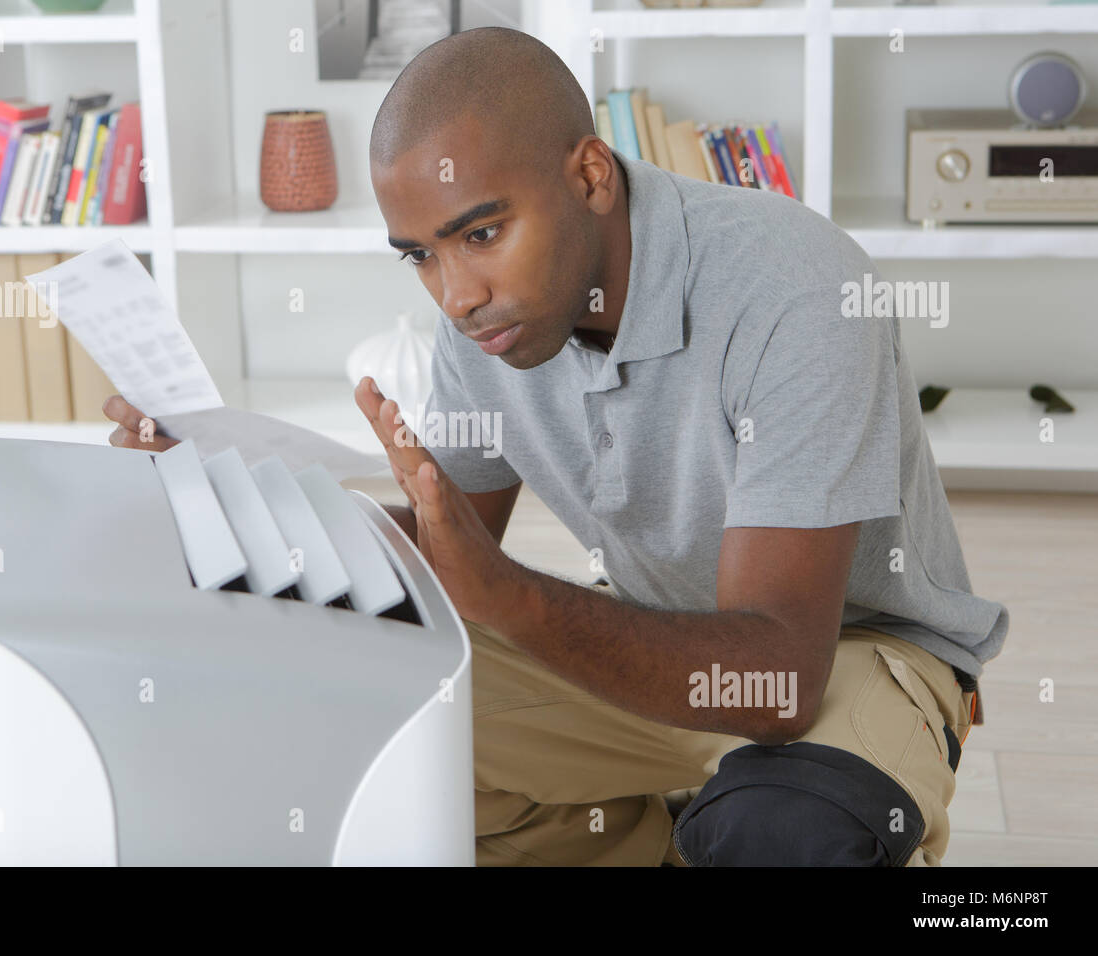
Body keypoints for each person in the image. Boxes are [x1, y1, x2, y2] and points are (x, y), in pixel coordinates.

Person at [105, 26, 1009, 866]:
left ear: (589, 177)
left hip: (846, 664)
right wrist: (234, 491)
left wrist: (512, 600)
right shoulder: (488, 326)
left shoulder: (797, 292)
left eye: (482, 233)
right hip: (651, 649)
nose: (455, 294)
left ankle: (715, 816)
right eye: (419, 255)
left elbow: (775, 683)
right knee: (348, 722)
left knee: (778, 833)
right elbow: (444, 551)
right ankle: (663, 830)